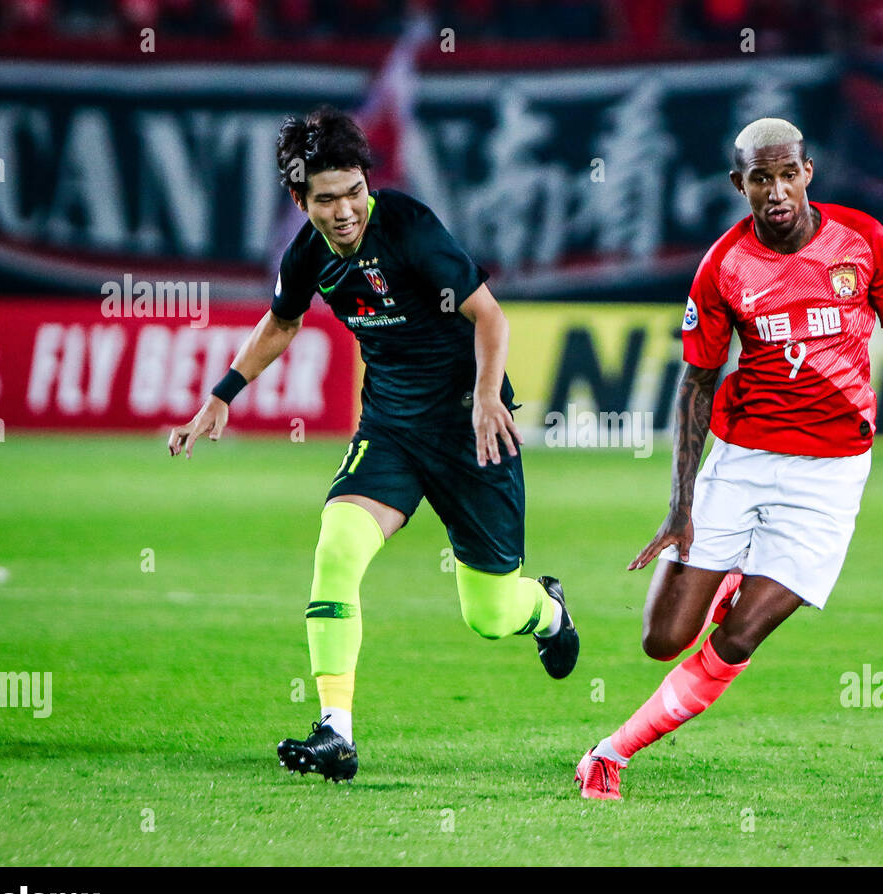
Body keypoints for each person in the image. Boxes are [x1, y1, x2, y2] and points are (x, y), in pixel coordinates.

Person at [168, 106, 579, 783]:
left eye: (355, 190)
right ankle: (336, 731)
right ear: (299, 200)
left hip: (471, 429)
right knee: (337, 548)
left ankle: (549, 611)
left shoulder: (410, 228)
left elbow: (489, 315)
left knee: (489, 613)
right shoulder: (306, 257)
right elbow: (280, 322)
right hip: (390, 428)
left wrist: (483, 397)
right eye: (327, 198)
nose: (346, 210)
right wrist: (222, 395)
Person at [574, 117, 883, 800]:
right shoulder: (722, 268)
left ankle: (609, 754)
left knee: (739, 639)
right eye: (760, 178)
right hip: (742, 460)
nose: (776, 190)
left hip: (832, 477)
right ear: (739, 184)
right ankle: (730, 562)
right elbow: (696, 386)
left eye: (787, 173)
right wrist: (680, 507)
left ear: (808, 171)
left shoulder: (863, 241)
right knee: (661, 638)